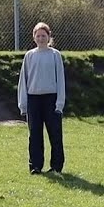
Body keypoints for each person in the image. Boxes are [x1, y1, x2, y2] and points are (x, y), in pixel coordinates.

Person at [17, 22, 66, 175]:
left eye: (43, 36)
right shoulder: (29, 56)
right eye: (38, 36)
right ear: (34, 37)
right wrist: (23, 104)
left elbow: (60, 80)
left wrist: (59, 103)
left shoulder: (55, 55)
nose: (41, 38)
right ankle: (35, 166)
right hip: (34, 100)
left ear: (48, 37)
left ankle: (56, 166)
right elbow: (23, 81)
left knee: (55, 134)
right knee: (35, 134)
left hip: (51, 99)